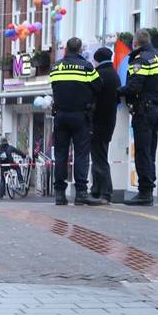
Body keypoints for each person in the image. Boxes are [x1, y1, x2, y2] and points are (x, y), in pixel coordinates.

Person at [120, 29, 158, 206]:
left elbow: (134, 87)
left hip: (143, 110)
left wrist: (116, 92)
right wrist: (155, 86)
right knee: (150, 150)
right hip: (155, 109)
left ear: (135, 43)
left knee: (142, 152)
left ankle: (145, 192)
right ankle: (148, 189)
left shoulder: (140, 60)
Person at [49, 37, 104, 206]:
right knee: (81, 154)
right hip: (80, 116)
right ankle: (81, 193)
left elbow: (55, 86)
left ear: (66, 49)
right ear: (80, 50)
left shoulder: (56, 67)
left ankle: (60, 194)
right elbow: (99, 86)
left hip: (60, 116)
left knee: (61, 155)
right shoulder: (86, 67)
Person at [90, 47, 121, 202]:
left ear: (97, 60)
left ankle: (105, 192)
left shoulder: (98, 75)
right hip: (109, 122)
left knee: (99, 158)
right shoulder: (115, 75)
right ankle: (96, 189)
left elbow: (91, 97)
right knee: (99, 155)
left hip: (97, 122)